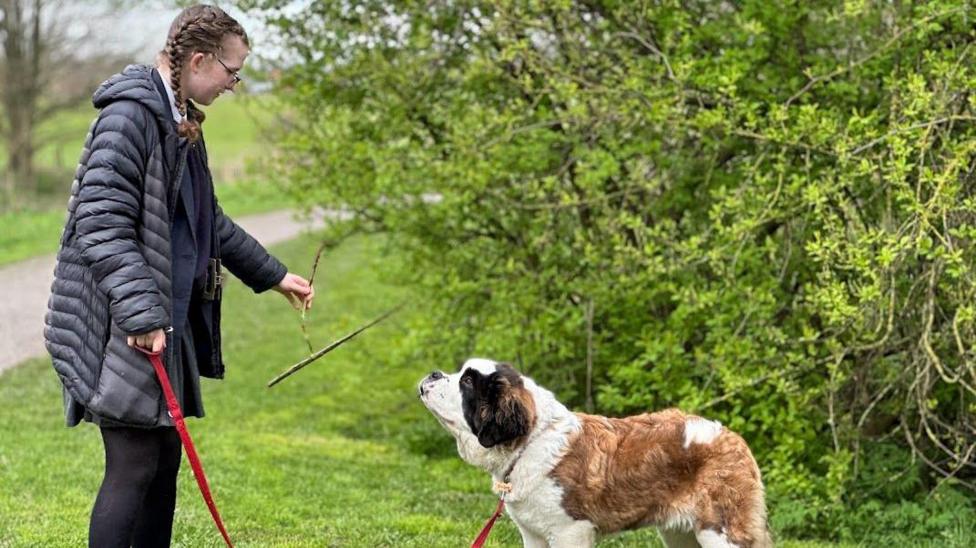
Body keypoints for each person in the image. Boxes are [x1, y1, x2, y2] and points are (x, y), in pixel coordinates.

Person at [44, 5, 314, 546]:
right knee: (134, 465)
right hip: (122, 321)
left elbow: (205, 218)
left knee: (162, 461)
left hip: (160, 319)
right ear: (197, 59)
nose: (235, 85)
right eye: (232, 72)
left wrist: (275, 274)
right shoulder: (130, 117)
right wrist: (142, 315)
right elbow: (100, 222)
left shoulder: (181, 119)